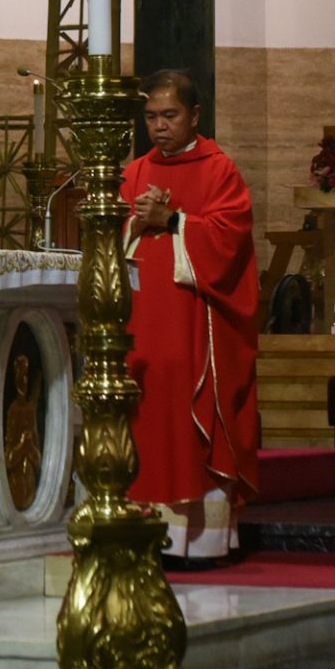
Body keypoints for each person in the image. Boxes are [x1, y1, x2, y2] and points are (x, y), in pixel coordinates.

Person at [120, 69, 260, 563]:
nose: (159, 126)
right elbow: (118, 238)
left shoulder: (218, 169)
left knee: (186, 415)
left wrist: (175, 219)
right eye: (151, 117)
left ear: (194, 116)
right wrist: (135, 221)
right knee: (146, 416)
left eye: (170, 115)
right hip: (143, 326)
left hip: (194, 328)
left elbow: (230, 239)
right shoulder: (135, 171)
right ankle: (147, 534)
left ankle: (200, 542)